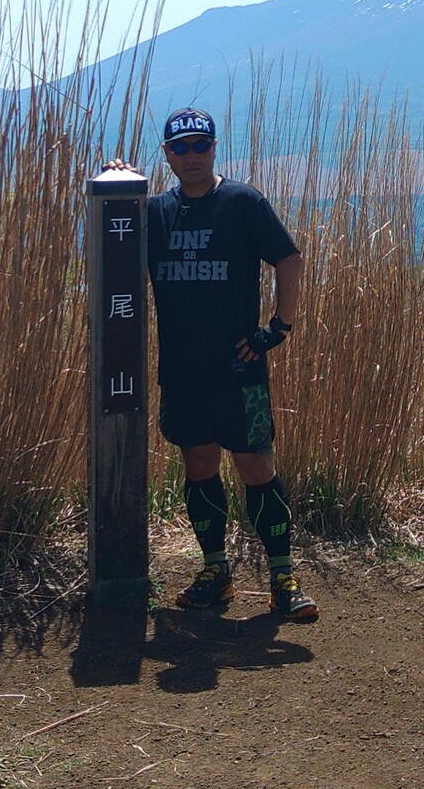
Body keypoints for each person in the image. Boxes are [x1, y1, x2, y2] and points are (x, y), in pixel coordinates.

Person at [146, 107, 318, 621]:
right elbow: (115, 241)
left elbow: (289, 259)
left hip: (238, 369)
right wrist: (118, 182)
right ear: (167, 155)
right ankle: (215, 572)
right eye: (181, 148)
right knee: (198, 465)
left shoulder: (243, 202)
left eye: (201, 145)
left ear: (215, 147)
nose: (192, 156)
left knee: (255, 466)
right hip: (182, 370)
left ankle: (283, 578)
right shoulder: (155, 212)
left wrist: (278, 329)